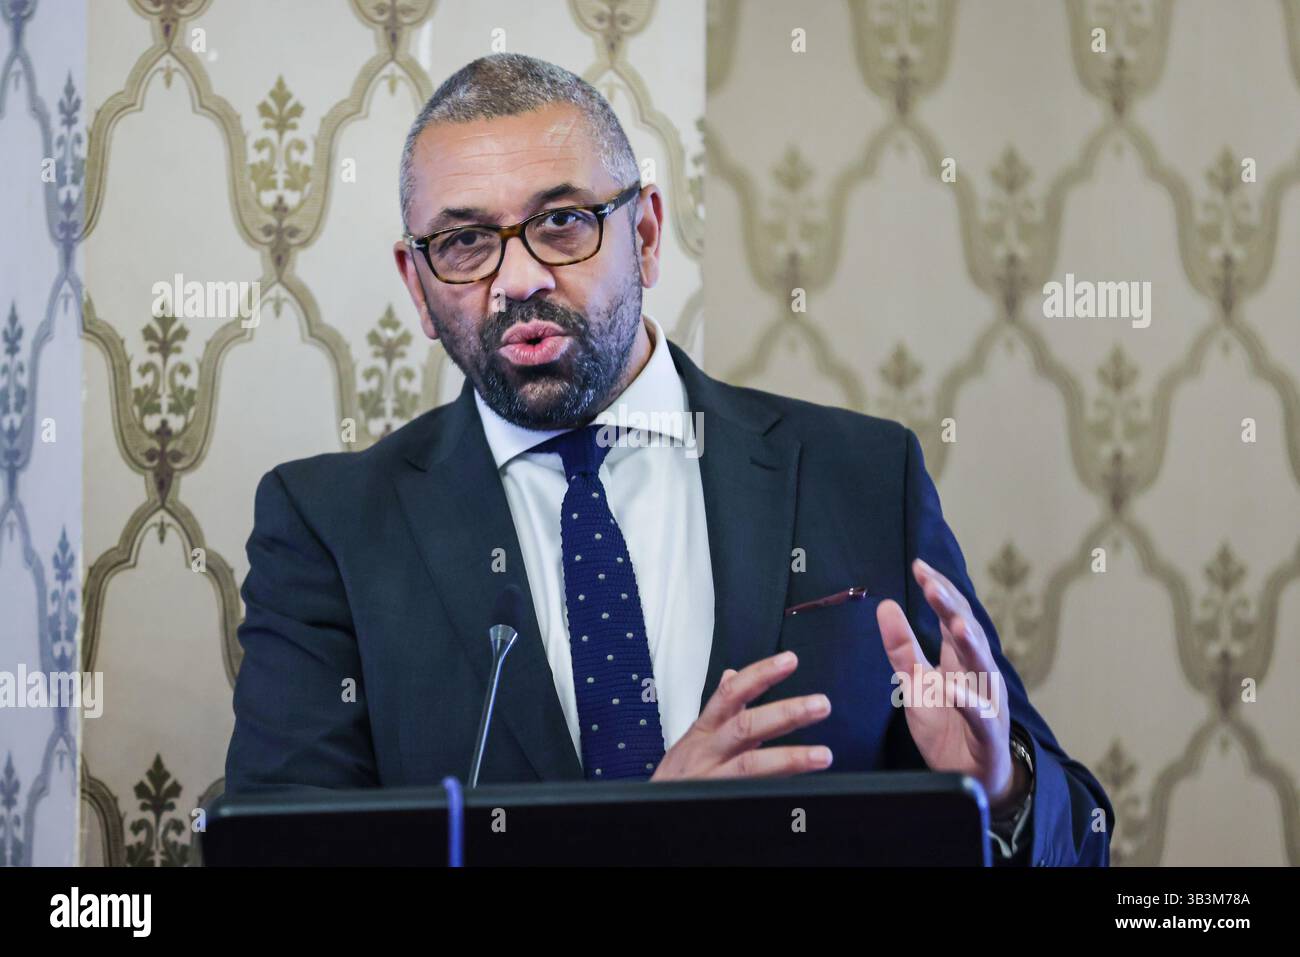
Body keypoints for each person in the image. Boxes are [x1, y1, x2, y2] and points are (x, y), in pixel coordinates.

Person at [225, 53, 1112, 866]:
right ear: (417, 284)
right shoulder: (330, 529)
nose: (519, 278)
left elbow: (1083, 841)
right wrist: (644, 838)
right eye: (464, 243)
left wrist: (1000, 791)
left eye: (564, 223)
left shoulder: (862, 475)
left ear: (645, 233)